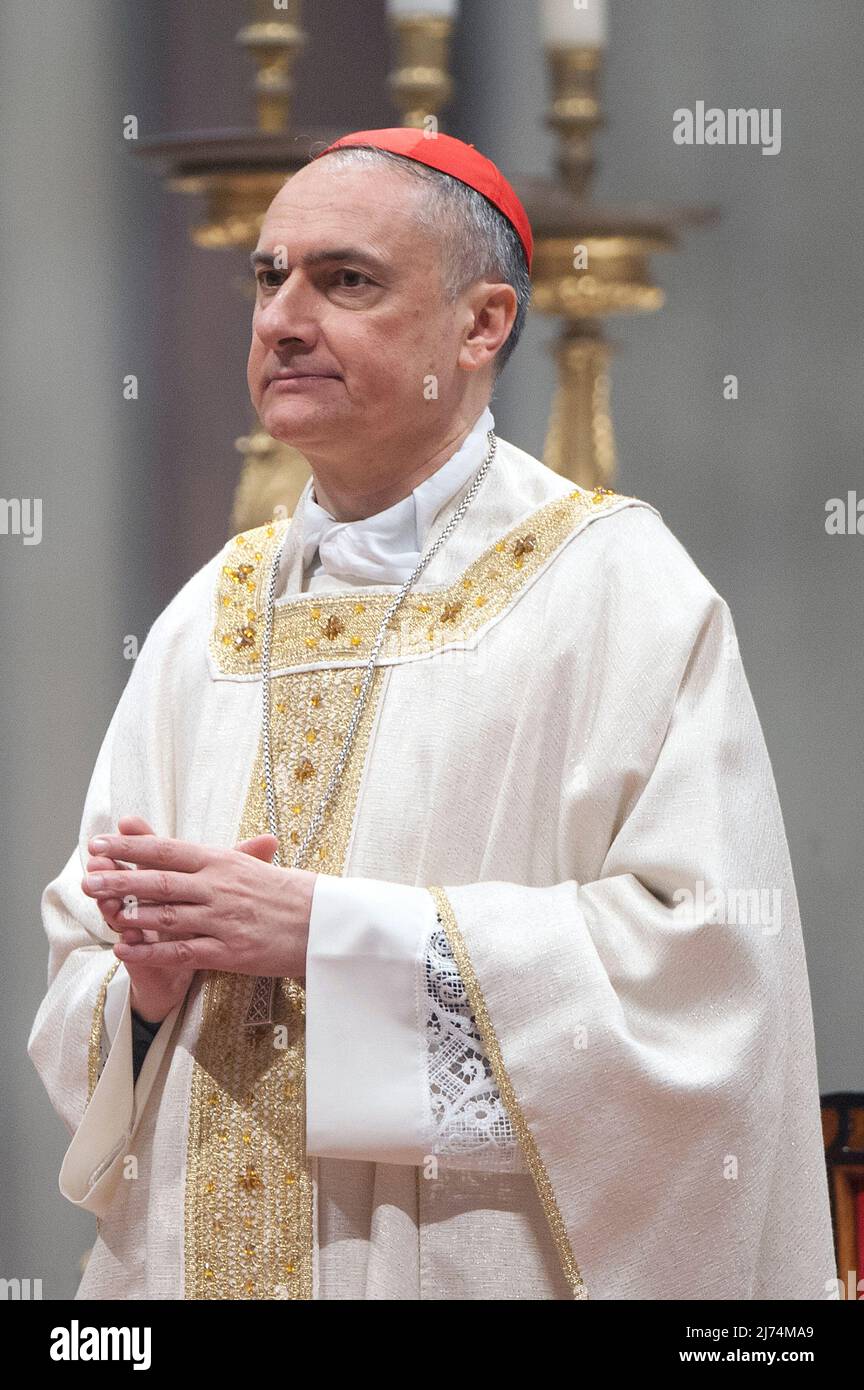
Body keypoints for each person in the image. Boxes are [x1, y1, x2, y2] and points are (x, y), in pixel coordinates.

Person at [28, 127, 836, 1301]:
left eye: (344, 280)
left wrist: (333, 935)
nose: (283, 318)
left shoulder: (611, 587)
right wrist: (140, 997)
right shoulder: (212, 615)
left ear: (482, 324)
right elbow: (83, 960)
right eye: (268, 276)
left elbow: (706, 976)